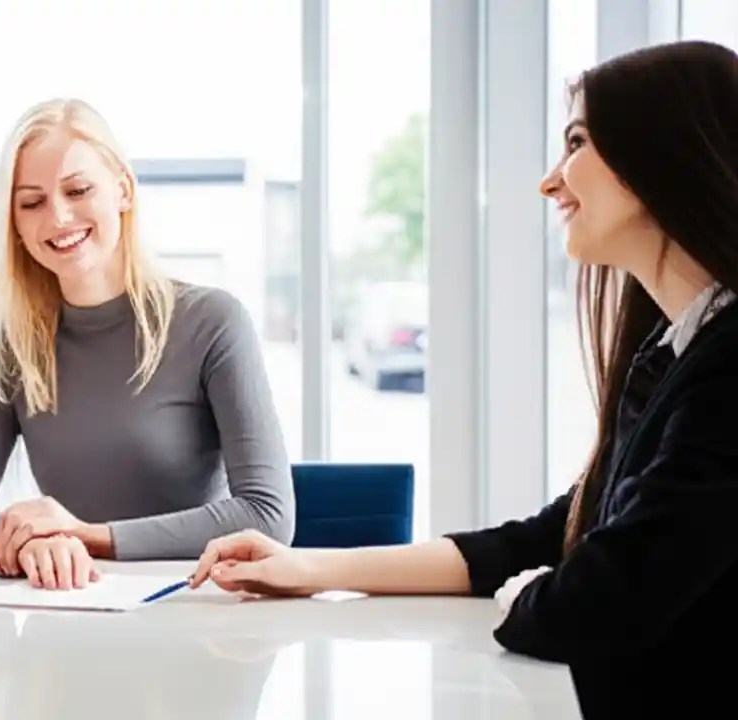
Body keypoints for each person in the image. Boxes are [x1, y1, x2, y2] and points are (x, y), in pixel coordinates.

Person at [190, 40, 738, 719]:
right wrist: (314, 568)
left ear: (660, 153)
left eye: (576, 143)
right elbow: (557, 535)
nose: (550, 180)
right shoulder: (674, 352)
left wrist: (527, 595)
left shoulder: (728, 370)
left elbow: (599, 603)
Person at [0, 99, 294, 590]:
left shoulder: (211, 321)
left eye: (78, 190)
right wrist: (34, 541)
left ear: (122, 189)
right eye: (32, 202)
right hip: (68, 613)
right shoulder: (7, 344)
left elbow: (267, 514)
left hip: (195, 619)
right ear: (14, 224)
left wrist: (88, 537)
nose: (58, 217)